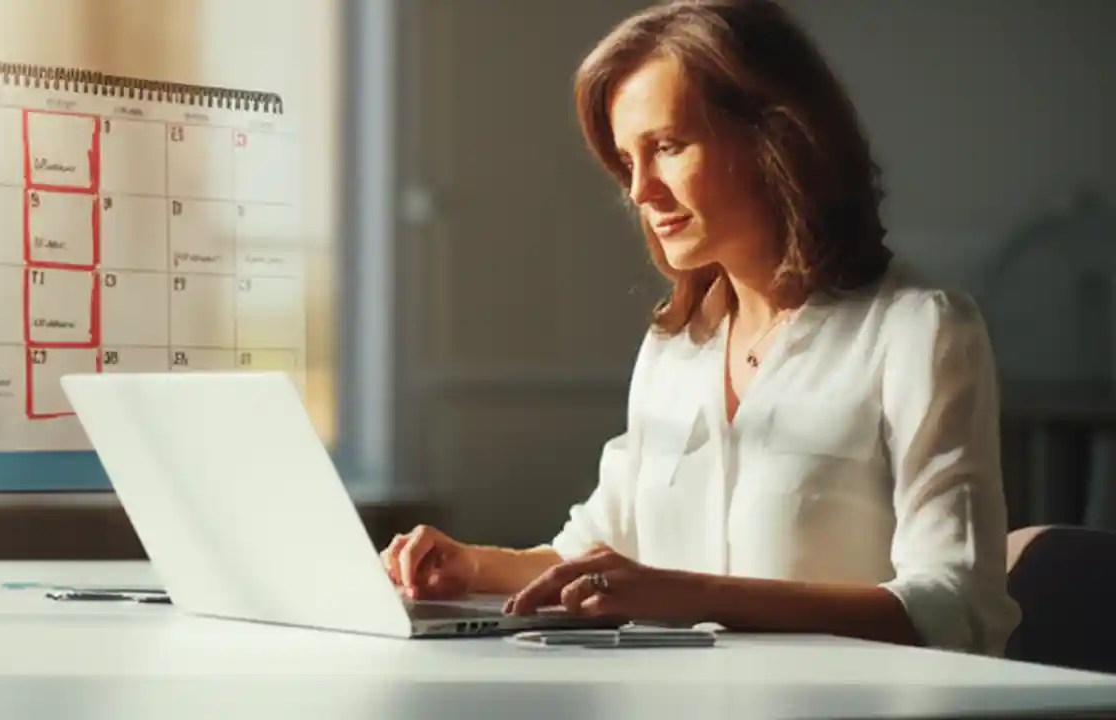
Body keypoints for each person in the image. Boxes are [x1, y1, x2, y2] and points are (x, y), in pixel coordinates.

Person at [380, 0, 1021, 655]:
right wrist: (470, 565)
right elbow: (598, 551)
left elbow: (955, 609)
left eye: (666, 147)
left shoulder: (920, 331)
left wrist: (690, 595)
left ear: (775, 138)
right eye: (627, 162)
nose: (639, 191)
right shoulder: (673, 348)